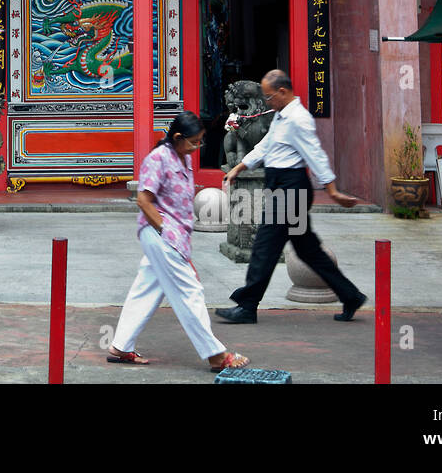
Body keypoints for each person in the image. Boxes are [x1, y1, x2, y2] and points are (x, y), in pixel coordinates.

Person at [215, 70, 366, 325]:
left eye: (269, 96)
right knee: (307, 250)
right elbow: (266, 145)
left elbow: (315, 154)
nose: (267, 101)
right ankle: (350, 295)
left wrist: (332, 190)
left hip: (290, 190)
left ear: (283, 92)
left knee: (264, 246)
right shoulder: (281, 117)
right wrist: (239, 167)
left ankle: (248, 305)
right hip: (281, 187)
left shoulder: (298, 119)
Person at [107, 111, 249, 371]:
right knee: (189, 292)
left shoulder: (181, 158)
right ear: (178, 137)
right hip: (161, 234)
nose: (198, 147)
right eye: (194, 142)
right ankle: (215, 355)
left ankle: (120, 345)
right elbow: (143, 200)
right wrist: (166, 233)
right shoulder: (158, 159)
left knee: (147, 288)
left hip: (171, 237)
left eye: (201, 141)